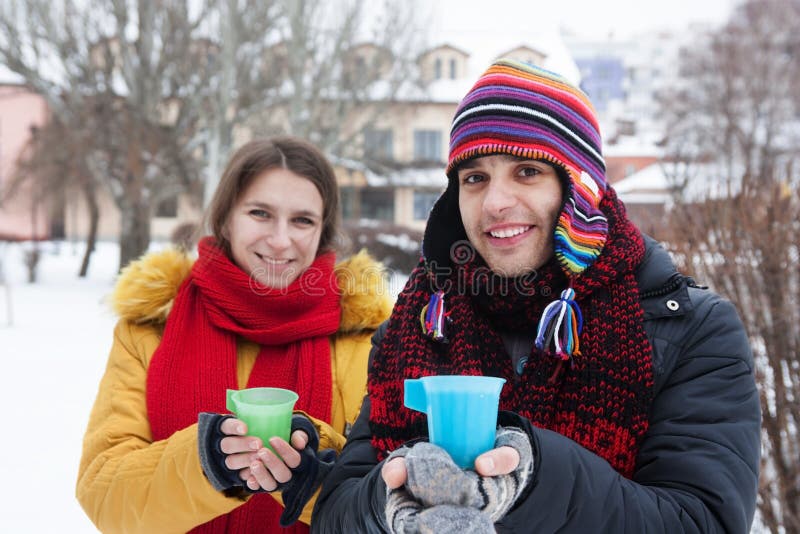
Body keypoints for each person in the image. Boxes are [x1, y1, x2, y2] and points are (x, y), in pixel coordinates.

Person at [311, 59, 760, 533]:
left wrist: (534, 481)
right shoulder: (417, 324)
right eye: (474, 178)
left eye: (526, 171)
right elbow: (337, 512)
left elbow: (702, 521)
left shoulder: (690, 330)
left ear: (580, 190)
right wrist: (389, 506)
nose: (494, 203)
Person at [76, 136, 393, 533]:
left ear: (322, 231)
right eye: (260, 213)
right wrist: (204, 461)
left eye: (302, 220)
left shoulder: (365, 338)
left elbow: (387, 503)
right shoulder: (151, 324)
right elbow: (104, 495)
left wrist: (312, 474)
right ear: (225, 218)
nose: (280, 240)